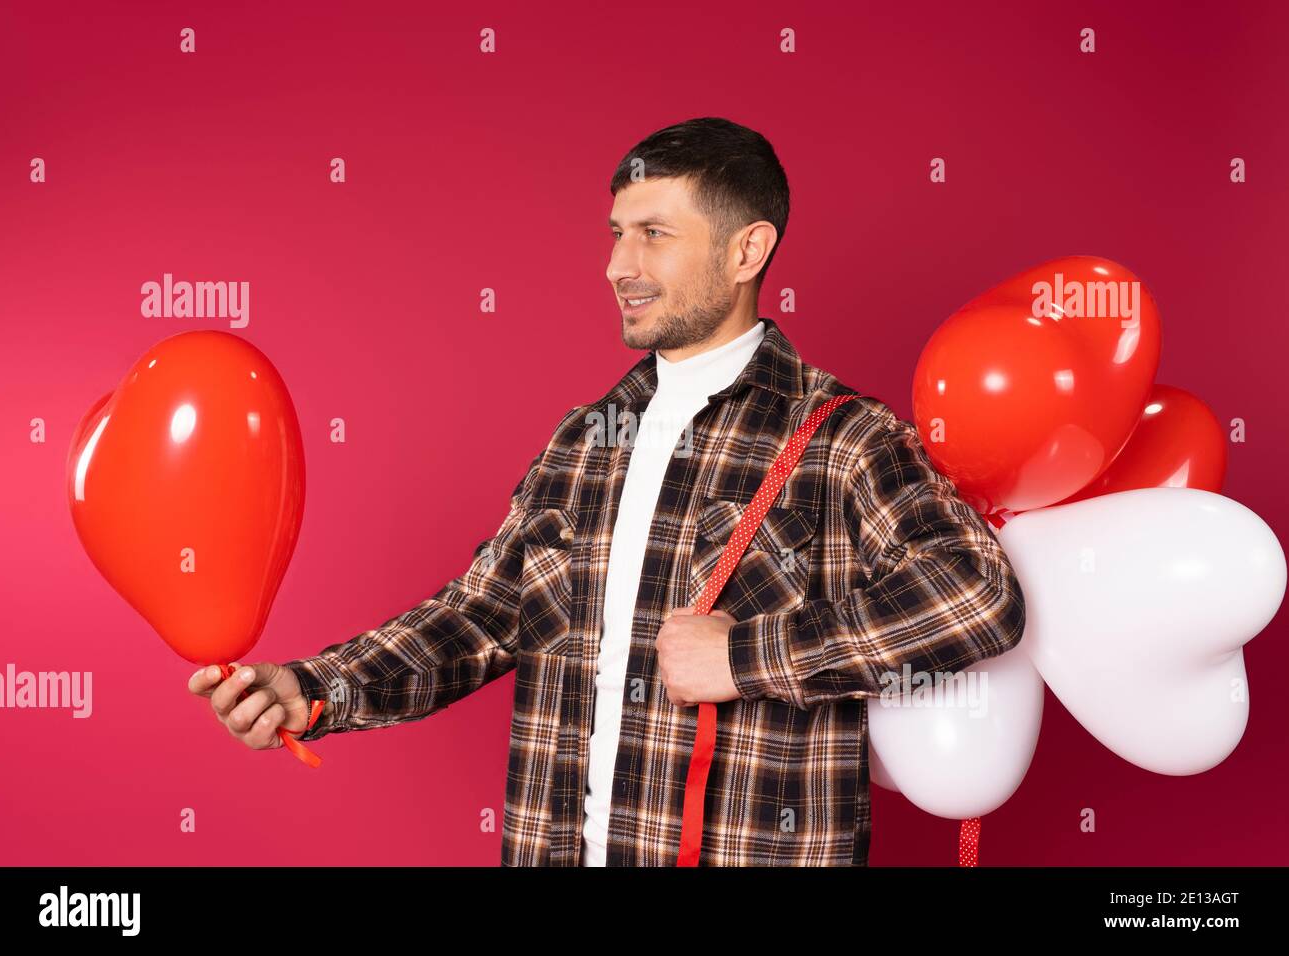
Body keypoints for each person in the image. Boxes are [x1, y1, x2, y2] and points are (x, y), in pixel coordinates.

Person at [188, 116, 1026, 866]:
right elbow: (481, 614)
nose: (618, 265)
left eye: (654, 234)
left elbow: (977, 595)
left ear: (747, 251)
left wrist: (744, 657)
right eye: (617, 234)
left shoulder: (844, 438)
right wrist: (317, 688)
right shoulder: (586, 438)